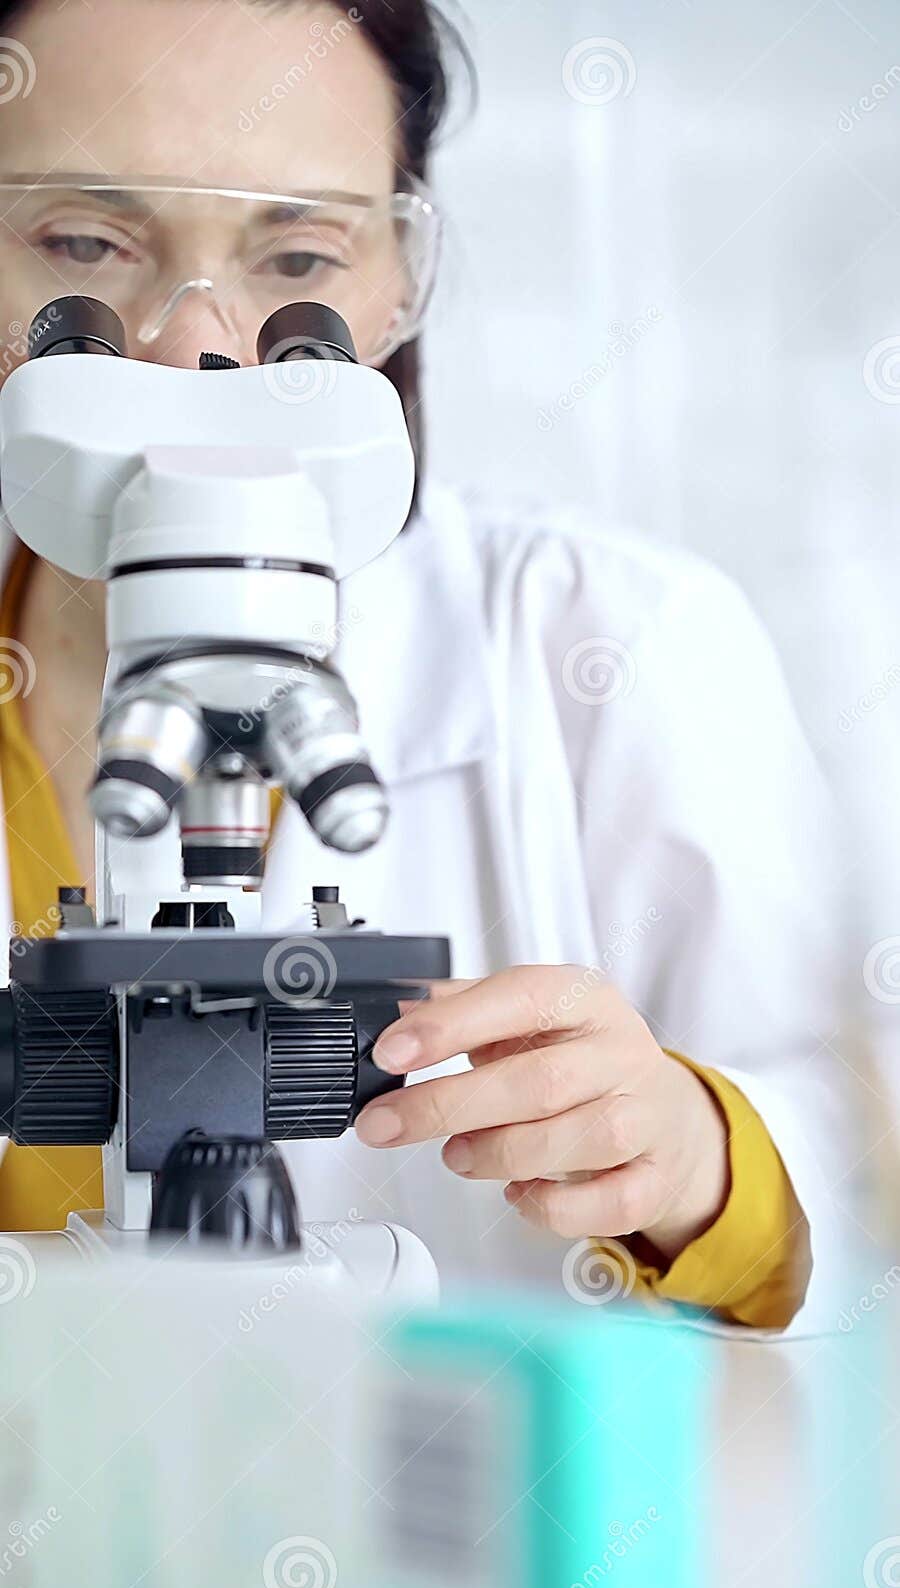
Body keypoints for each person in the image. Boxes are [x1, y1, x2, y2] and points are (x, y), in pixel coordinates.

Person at [0, 0, 850, 1328]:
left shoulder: (611, 644)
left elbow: (854, 1148)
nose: (197, 347)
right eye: (85, 243)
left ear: (395, 284)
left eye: (296, 255)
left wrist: (698, 1153)